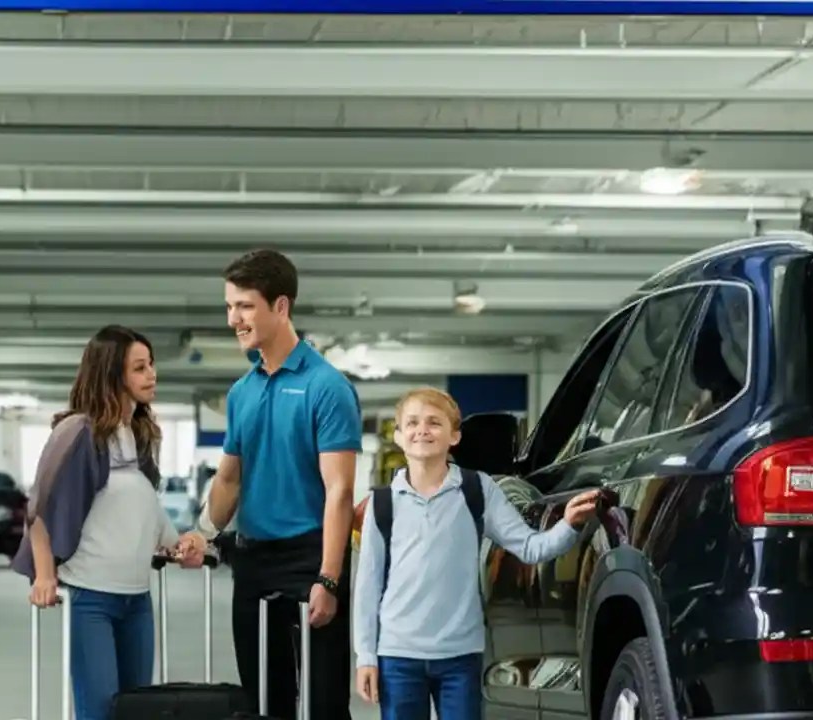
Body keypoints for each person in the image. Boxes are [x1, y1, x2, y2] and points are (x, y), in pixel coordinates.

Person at [180, 248, 361, 719]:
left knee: (323, 706)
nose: (233, 319)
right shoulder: (243, 392)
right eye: (228, 306)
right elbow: (229, 477)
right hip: (254, 561)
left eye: (244, 306)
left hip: (311, 559)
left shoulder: (328, 387)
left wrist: (329, 576)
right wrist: (202, 533)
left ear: (280, 307)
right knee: (264, 703)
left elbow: (339, 491)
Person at [352, 387, 600, 720]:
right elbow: (367, 588)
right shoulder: (382, 504)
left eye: (434, 423)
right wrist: (366, 656)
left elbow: (528, 547)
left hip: (460, 656)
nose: (422, 430)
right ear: (398, 435)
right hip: (398, 657)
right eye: (411, 423)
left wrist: (568, 525)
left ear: (454, 436)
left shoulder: (477, 490)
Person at [10, 325, 205, 720]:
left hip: (137, 599)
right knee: (99, 711)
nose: (151, 374)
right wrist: (44, 574)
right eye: (139, 367)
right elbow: (41, 507)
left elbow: (143, 506)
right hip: (91, 597)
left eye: (150, 365)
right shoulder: (77, 432)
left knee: (136, 711)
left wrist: (175, 544)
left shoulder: (138, 436)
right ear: (112, 374)